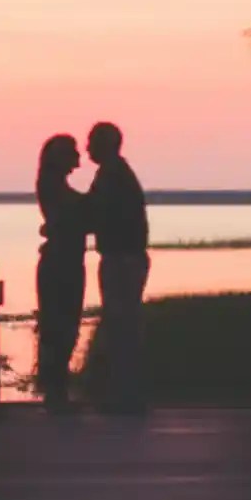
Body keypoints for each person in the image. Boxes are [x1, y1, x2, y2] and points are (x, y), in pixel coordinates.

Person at [84, 122, 150, 414]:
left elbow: (94, 211)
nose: (87, 149)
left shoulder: (112, 174)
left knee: (122, 325)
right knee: (123, 325)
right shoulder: (114, 173)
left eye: (91, 143)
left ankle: (125, 396)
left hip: (123, 259)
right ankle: (125, 393)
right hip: (125, 258)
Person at [34, 134, 87, 413]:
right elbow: (72, 214)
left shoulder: (54, 187)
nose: (79, 159)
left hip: (65, 262)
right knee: (60, 326)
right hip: (61, 265)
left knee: (64, 326)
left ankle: (57, 389)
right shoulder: (53, 187)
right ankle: (56, 391)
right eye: (73, 153)